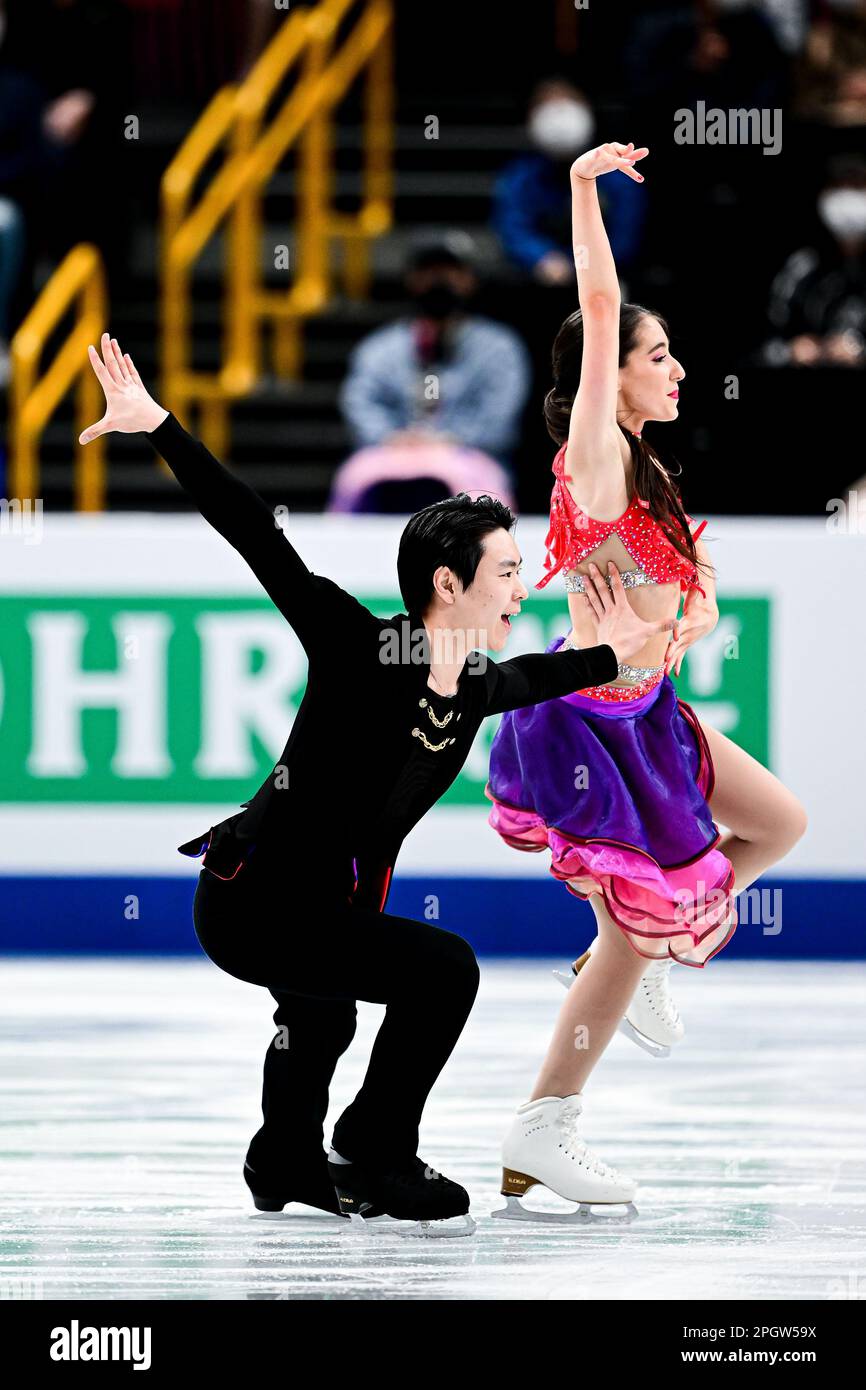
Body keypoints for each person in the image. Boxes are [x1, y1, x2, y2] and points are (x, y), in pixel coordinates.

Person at [79, 332, 673, 1237]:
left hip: (325, 907)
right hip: (254, 902)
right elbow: (255, 534)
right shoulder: (360, 645)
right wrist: (158, 424)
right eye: (508, 572)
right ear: (449, 581)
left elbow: (528, 680)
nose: (522, 588)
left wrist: (613, 653)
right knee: (442, 972)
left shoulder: (470, 685)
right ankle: (375, 1149)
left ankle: (283, 1159)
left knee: (320, 1020)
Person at [486, 142, 808, 1222]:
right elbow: (595, 293)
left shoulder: (656, 478)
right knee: (639, 925)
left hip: (649, 713)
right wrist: (578, 188)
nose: (674, 369)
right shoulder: (595, 457)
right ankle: (543, 1126)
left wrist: (679, 612)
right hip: (588, 730)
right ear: (607, 374)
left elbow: (693, 608)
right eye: (656, 355)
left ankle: (635, 944)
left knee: (775, 822)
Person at [339, 231, 531, 473]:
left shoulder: (499, 347)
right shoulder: (378, 349)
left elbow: (499, 421)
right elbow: (361, 404)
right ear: (411, 279)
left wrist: (448, 442)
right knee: (355, 474)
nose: (439, 281)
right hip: (391, 464)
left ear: (469, 279)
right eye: (428, 271)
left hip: (472, 468)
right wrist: (392, 439)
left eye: (450, 271)